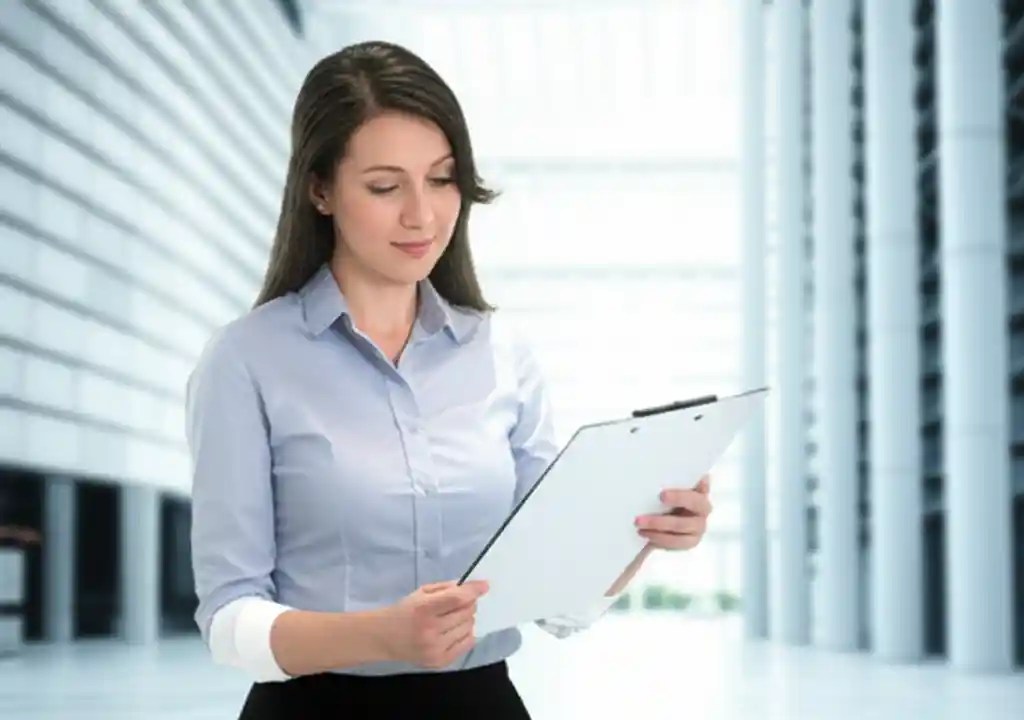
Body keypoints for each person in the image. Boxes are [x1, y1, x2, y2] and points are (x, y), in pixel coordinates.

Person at [184, 40, 715, 719]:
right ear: (320, 189)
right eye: (385, 187)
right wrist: (382, 635)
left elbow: (559, 599)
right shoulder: (245, 360)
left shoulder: (503, 354)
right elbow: (229, 621)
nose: (423, 214)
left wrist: (643, 532)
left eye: (441, 179)